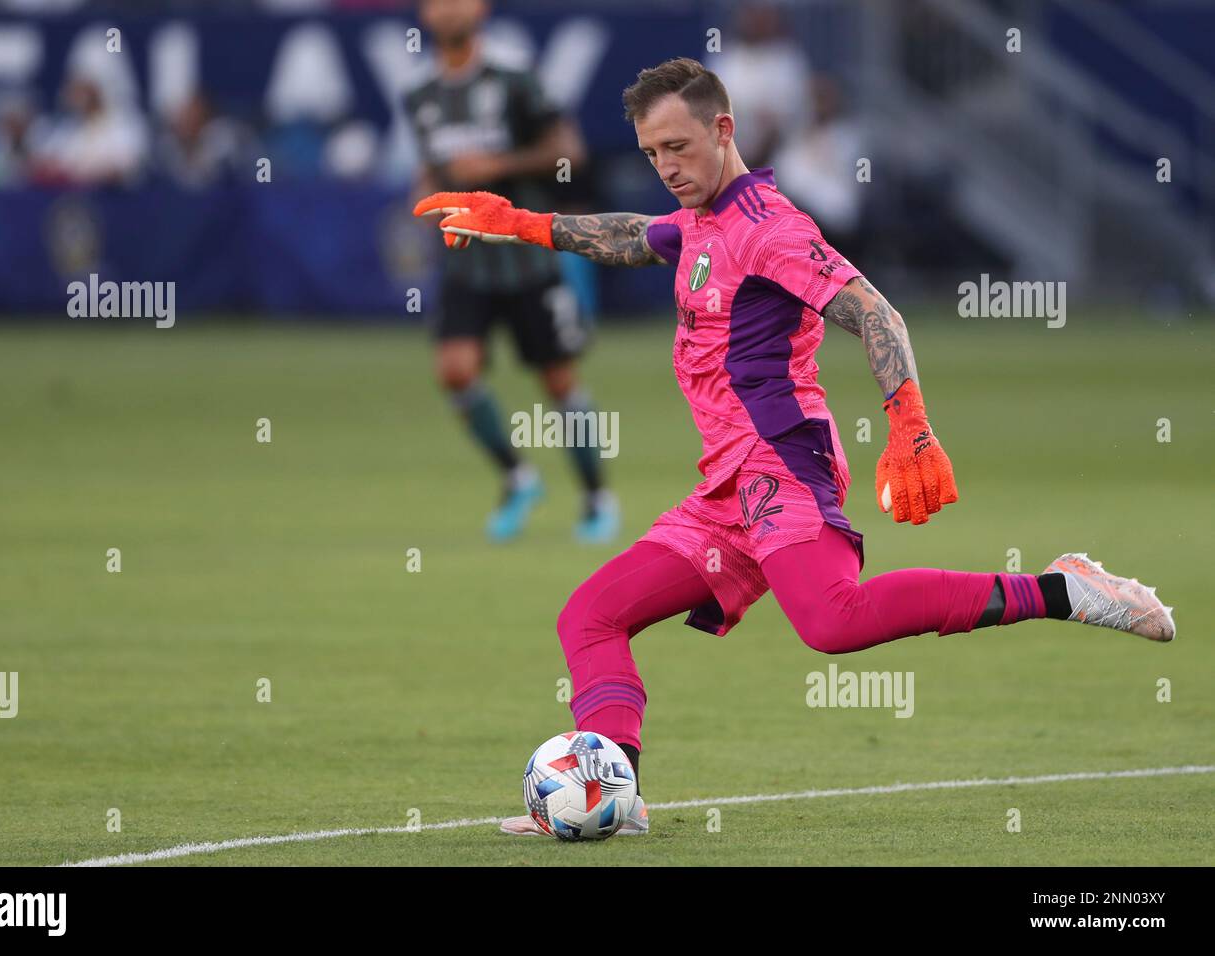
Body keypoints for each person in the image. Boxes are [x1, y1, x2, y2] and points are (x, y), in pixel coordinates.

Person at [413, 58, 1175, 837]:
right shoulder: (703, 221)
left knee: (833, 622)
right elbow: (639, 237)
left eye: (677, 146)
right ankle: (619, 795)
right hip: (727, 485)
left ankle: (1061, 589)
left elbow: (877, 313)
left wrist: (909, 419)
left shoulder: (773, 231)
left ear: (724, 129)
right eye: (650, 154)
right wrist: (520, 222)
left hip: (781, 460)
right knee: (591, 617)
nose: (666, 167)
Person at [403, 0, 618, 543]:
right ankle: (518, 477)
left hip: (525, 255)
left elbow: (568, 149)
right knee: (455, 369)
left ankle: (596, 496)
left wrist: (497, 166)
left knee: (558, 380)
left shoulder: (515, 81)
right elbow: (430, 168)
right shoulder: (419, 97)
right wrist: (422, 201)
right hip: (465, 261)